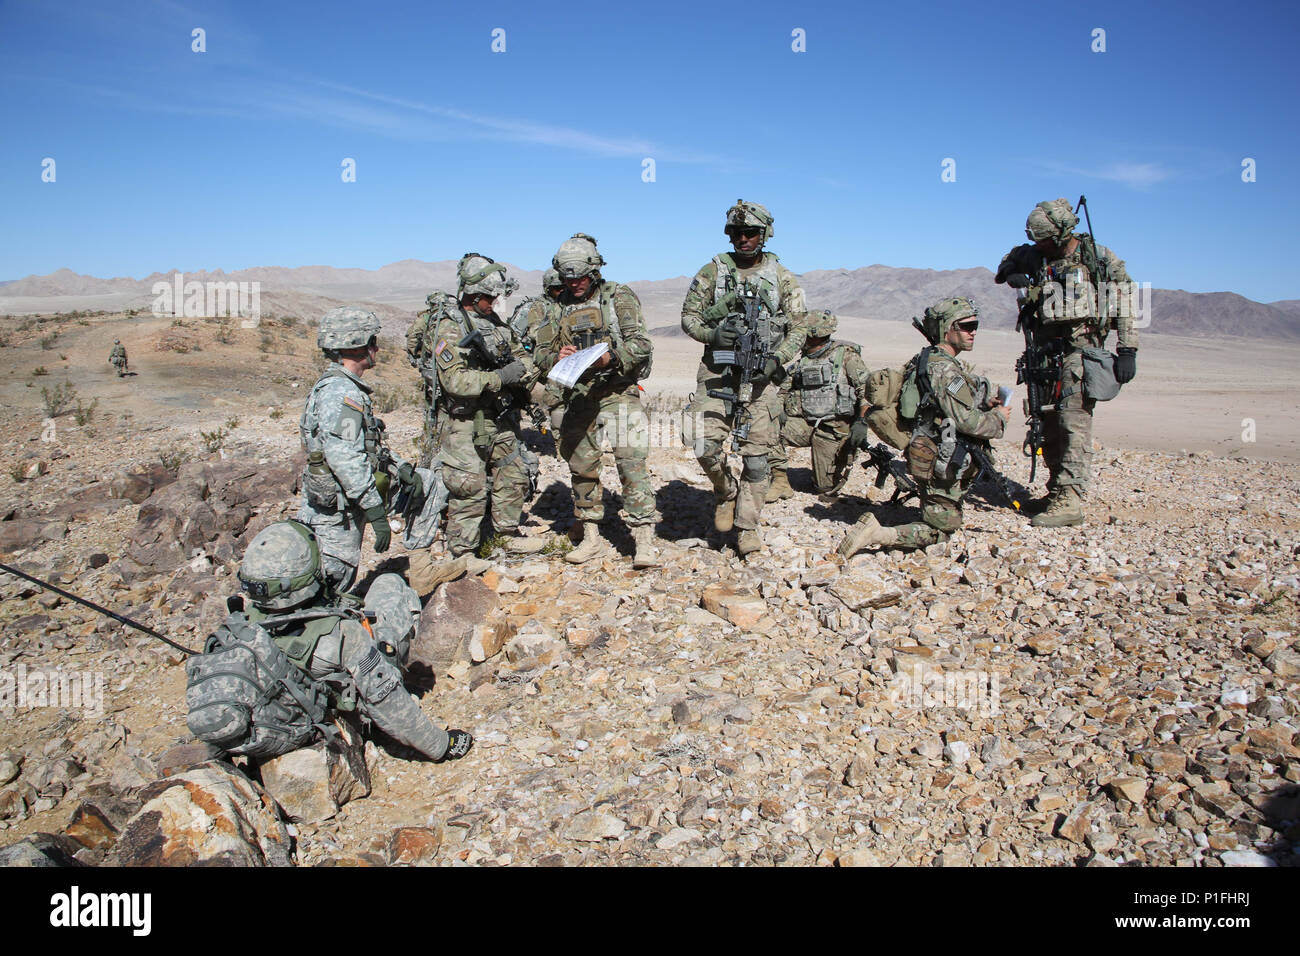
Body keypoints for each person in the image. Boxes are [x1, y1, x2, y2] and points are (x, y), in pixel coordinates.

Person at [225, 520, 470, 762]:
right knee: (390, 585)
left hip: (274, 715)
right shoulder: (342, 636)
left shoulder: (239, 624)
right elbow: (386, 701)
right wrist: (440, 745)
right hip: (336, 709)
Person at [994, 197, 1137, 527]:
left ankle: (1070, 498)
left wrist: (1128, 349)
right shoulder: (1036, 255)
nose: (1039, 245)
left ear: (1061, 232)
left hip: (1081, 350)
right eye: (1036, 240)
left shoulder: (1097, 258)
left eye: (1044, 239)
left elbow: (1126, 301)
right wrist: (1013, 272)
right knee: (1048, 422)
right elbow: (1006, 262)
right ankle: (1057, 489)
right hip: (1044, 353)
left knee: (1073, 420)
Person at [680, 199, 807, 556]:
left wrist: (778, 359)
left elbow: (801, 327)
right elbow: (689, 317)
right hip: (718, 372)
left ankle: (747, 527)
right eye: (736, 232)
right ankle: (725, 491)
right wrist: (712, 336)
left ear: (764, 235)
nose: (742, 239)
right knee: (702, 442)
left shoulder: (782, 277)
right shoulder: (713, 272)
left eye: (750, 232)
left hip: (764, 378)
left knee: (756, 458)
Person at [838, 297, 1009, 557]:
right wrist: (999, 418)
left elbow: (949, 400)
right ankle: (879, 533)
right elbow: (966, 421)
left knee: (944, 512)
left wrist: (985, 399)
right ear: (948, 329)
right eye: (966, 326)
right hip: (942, 459)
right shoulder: (944, 369)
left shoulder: (927, 359)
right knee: (940, 531)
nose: (973, 331)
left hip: (929, 452)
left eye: (976, 325)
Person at [531, 234, 659, 568]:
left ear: (595, 270)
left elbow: (641, 344)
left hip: (617, 391)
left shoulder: (618, 297)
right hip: (578, 395)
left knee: (632, 462)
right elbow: (540, 353)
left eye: (581, 277)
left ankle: (643, 539)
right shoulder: (555, 307)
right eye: (568, 278)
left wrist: (609, 359)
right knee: (582, 467)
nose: (574, 284)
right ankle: (591, 537)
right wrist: (555, 357)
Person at [424, 253, 543, 558]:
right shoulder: (450, 328)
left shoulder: (497, 325)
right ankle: (462, 553)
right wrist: (500, 376)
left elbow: (524, 358)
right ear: (474, 295)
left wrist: (521, 371)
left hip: (501, 419)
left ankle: (505, 536)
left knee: (514, 475)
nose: (494, 303)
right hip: (465, 422)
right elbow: (456, 382)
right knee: (469, 489)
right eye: (489, 297)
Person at [298, 307, 423, 593]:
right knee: (333, 579)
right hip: (336, 511)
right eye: (372, 342)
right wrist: (375, 512)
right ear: (356, 346)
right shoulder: (343, 393)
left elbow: (364, 445)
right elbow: (344, 458)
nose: (376, 348)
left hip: (343, 498)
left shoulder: (343, 388)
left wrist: (400, 466)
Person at [768, 310, 870, 502]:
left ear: (813, 334)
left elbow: (866, 391)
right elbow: (783, 391)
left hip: (833, 431)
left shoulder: (847, 357)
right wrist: (777, 410)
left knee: (824, 489)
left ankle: (827, 472)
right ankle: (780, 480)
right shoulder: (802, 362)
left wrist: (862, 421)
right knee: (766, 427)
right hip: (805, 425)